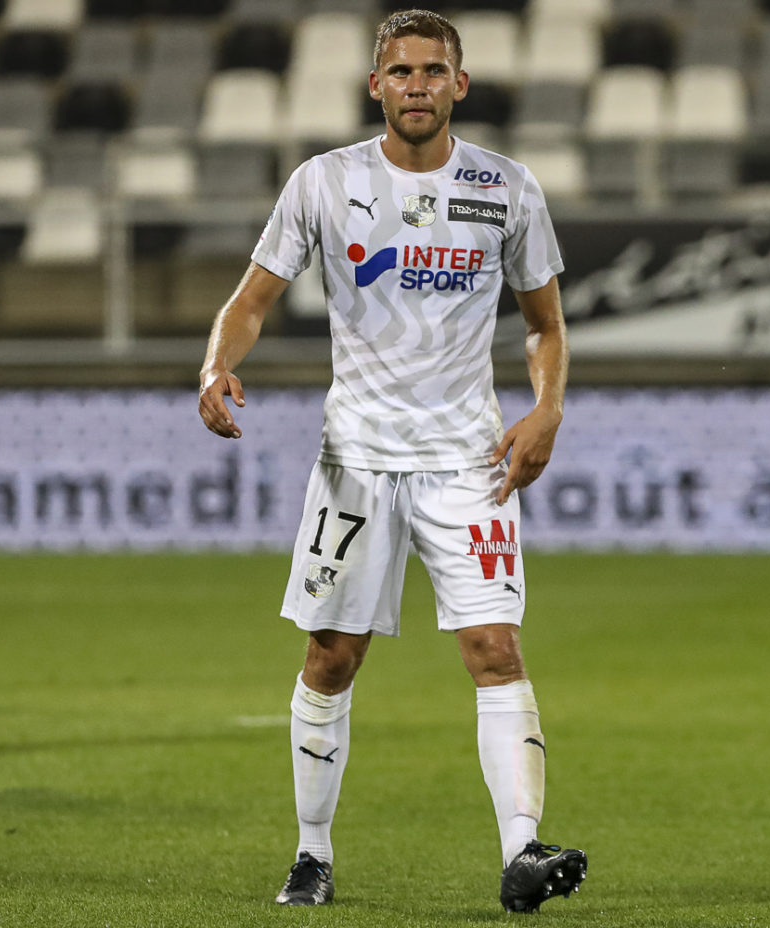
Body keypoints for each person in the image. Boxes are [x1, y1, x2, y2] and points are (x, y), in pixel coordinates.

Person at [197, 9, 586, 914]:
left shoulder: (507, 188)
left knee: (496, 647)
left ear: (461, 83)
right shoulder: (324, 184)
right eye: (401, 71)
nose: (417, 86)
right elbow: (253, 298)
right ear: (376, 85)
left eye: (434, 71)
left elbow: (544, 326)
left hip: (469, 461)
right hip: (359, 460)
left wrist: (549, 411)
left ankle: (523, 852)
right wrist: (219, 361)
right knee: (332, 658)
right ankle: (312, 854)